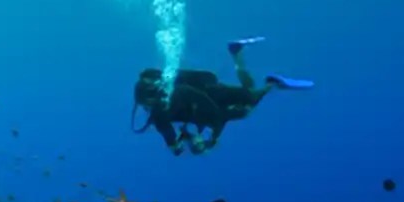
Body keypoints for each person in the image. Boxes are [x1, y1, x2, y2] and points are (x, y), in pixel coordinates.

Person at [132, 38, 312, 155]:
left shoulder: (166, 108)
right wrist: (186, 141)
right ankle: (240, 57)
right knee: (246, 101)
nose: (148, 108)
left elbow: (207, 109)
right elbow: (173, 143)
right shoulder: (161, 114)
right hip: (207, 99)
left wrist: (211, 135)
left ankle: (269, 81)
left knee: (248, 101)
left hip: (211, 95)